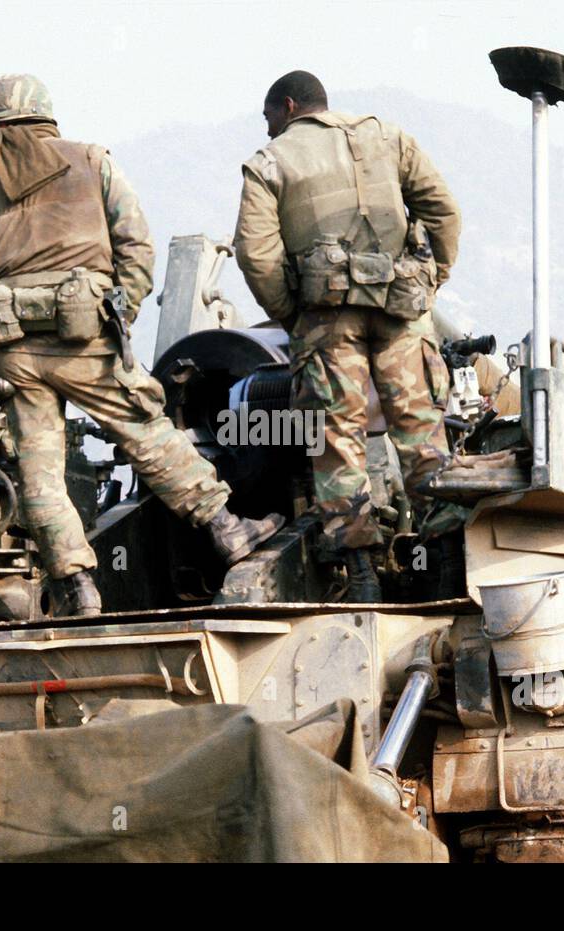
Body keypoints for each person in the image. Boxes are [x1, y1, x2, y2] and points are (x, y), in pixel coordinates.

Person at [0, 74, 283, 617]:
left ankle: (78, 589)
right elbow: (135, 245)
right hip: (87, 340)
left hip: (16, 356)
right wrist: (121, 313)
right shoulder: (93, 162)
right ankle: (228, 531)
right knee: (146, 432)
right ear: (46, 118)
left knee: (39, 472)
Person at [233, 70, 462, 602]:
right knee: (424, 436)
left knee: (338, 443)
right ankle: (447, 566)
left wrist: (291, 314)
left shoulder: (269, 163)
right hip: (402, 311)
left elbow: (256, 253)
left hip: (327, 320)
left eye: (269, 117)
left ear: (287, 106)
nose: (268, 129)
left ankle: (361, 579)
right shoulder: (386, 135)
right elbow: (443, 211)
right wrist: (429, 282)